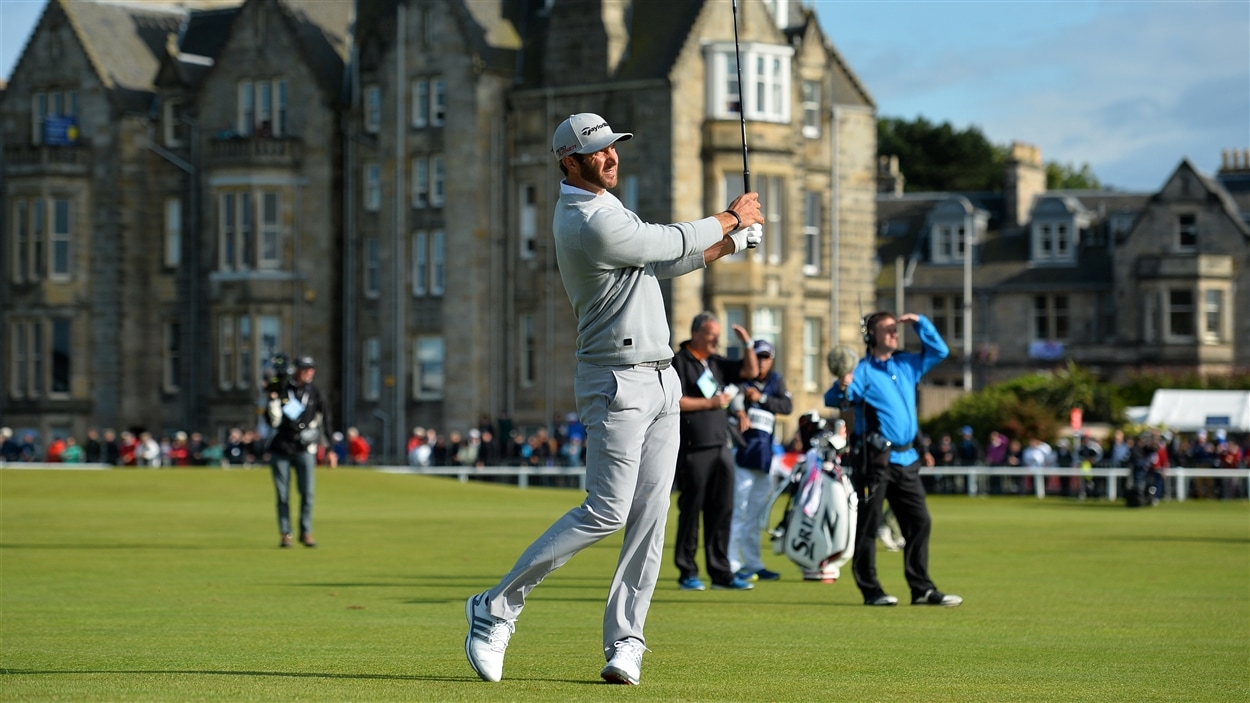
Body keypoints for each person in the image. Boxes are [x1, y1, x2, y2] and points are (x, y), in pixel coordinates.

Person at [464, 112, 763, 686]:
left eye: (613, 146)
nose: (610, 156)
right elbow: (664, 240)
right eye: (597, 150)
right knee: (606, 511)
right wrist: (731, 216)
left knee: (651, 515)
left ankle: (627, 640)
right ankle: (495, 607)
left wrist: (728, 243)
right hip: (616, 381)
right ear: (568, 162)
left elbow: (661, 261)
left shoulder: (607, 207)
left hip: (661, 378)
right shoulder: (585, 220)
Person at [825, 311, 962, 608]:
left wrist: (920, 323)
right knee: (868, 527)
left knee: (920, 522)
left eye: (894, 328)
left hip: (907, 460)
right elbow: (834, 399)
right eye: (886, 329)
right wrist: (843, 384)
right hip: (875, 463)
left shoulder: (906, 363)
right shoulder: (862, 371)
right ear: (871, 336)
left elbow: (940, 351)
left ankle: (921, 589)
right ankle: (871, 590)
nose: (893, 333)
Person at [672, 312, 759, 592]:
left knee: (722, 510)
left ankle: (721, 572)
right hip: (694, 447)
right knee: (691, 511)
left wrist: (747, 344)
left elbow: (750, 372)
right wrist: (710, 403)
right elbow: (674, 401)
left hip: (721, 445)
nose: (715, 340)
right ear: (696, 333)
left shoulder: (715, 362)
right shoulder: (679, 362)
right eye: (711, 335)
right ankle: (687, 572)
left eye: (718, 336)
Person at [727, 339, 791, 583]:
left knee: (755, 515)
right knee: (739, 512)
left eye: (766, 357)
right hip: (742, 455)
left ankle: (753, 563)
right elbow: (728, 401)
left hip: (764, 459)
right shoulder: (742, 379)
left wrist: (761, 398)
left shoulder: (775, 381)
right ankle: (732, 563)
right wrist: (740, 408)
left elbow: (787, 405)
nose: (762, 361)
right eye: (758, 356)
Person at [265, 355, 330, 548]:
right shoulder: (283, 389)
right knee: (282, 495)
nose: (309, 372)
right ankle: (286, 533)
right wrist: (272, 398)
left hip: (305, 448)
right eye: (305, 369)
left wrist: (330, 448)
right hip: (282, 447)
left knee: (307, 493)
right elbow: (271, 421)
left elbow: (326, 420)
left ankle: (306, 531)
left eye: (311, 369)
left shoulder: (315, 393)